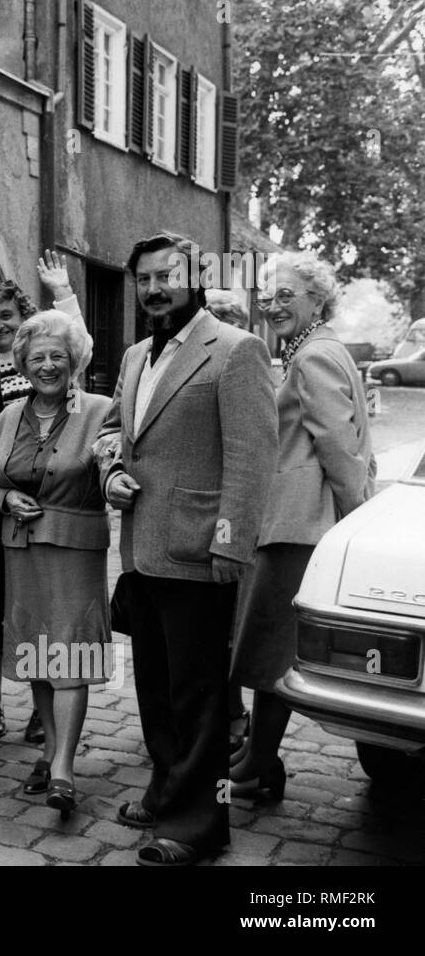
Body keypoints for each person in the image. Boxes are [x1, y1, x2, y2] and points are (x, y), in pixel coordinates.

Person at [97, 231, 277, 866]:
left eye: (165, 277)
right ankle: (166, 788)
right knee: (156, 689)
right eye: (144, 279)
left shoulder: (234, 350)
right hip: (142, 550)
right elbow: (116, 430)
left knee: (200, 699)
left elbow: (253, 460)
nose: (153, 289)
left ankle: (202, 825)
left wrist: (231, 544)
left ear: (196, 278)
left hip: (200, 553)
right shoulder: (134, 357)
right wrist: (110, 471)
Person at [229, 252, 375, 799]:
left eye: (287, 295)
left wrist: (357, 521)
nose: (273, 305)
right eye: (268, 297)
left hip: (299, 524)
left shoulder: (313, 355)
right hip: (295, 519)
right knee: (273, 647)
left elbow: (339, 447)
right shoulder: (313, 349)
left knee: (273, 650)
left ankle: (257, 766)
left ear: (318, 298)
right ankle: (256, 757)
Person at [0, 310, 111, 814]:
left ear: (74, 360)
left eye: (58, 356)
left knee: (71, 653)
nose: (48, 366)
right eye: (38, 358)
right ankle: (51, 751)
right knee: (37, 653)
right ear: (23, 365)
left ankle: (63, 769)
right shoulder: (9, 416)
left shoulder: (101, 410)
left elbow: (114, 465)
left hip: (76, 549)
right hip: (21, 548)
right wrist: (6, 501)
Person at [0, 249, 90, 743]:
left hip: (52, 504)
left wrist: (63, 292)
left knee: (49, 611)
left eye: (6, 316)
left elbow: (77, 344)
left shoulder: (47, 358)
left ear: (25, 319)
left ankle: (45, 709)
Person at [203, 284, 252, 752]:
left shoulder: (245, 363)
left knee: (229, 631)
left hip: (231, 520)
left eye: (226, 317)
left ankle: (233, 712)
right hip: (192, 520)